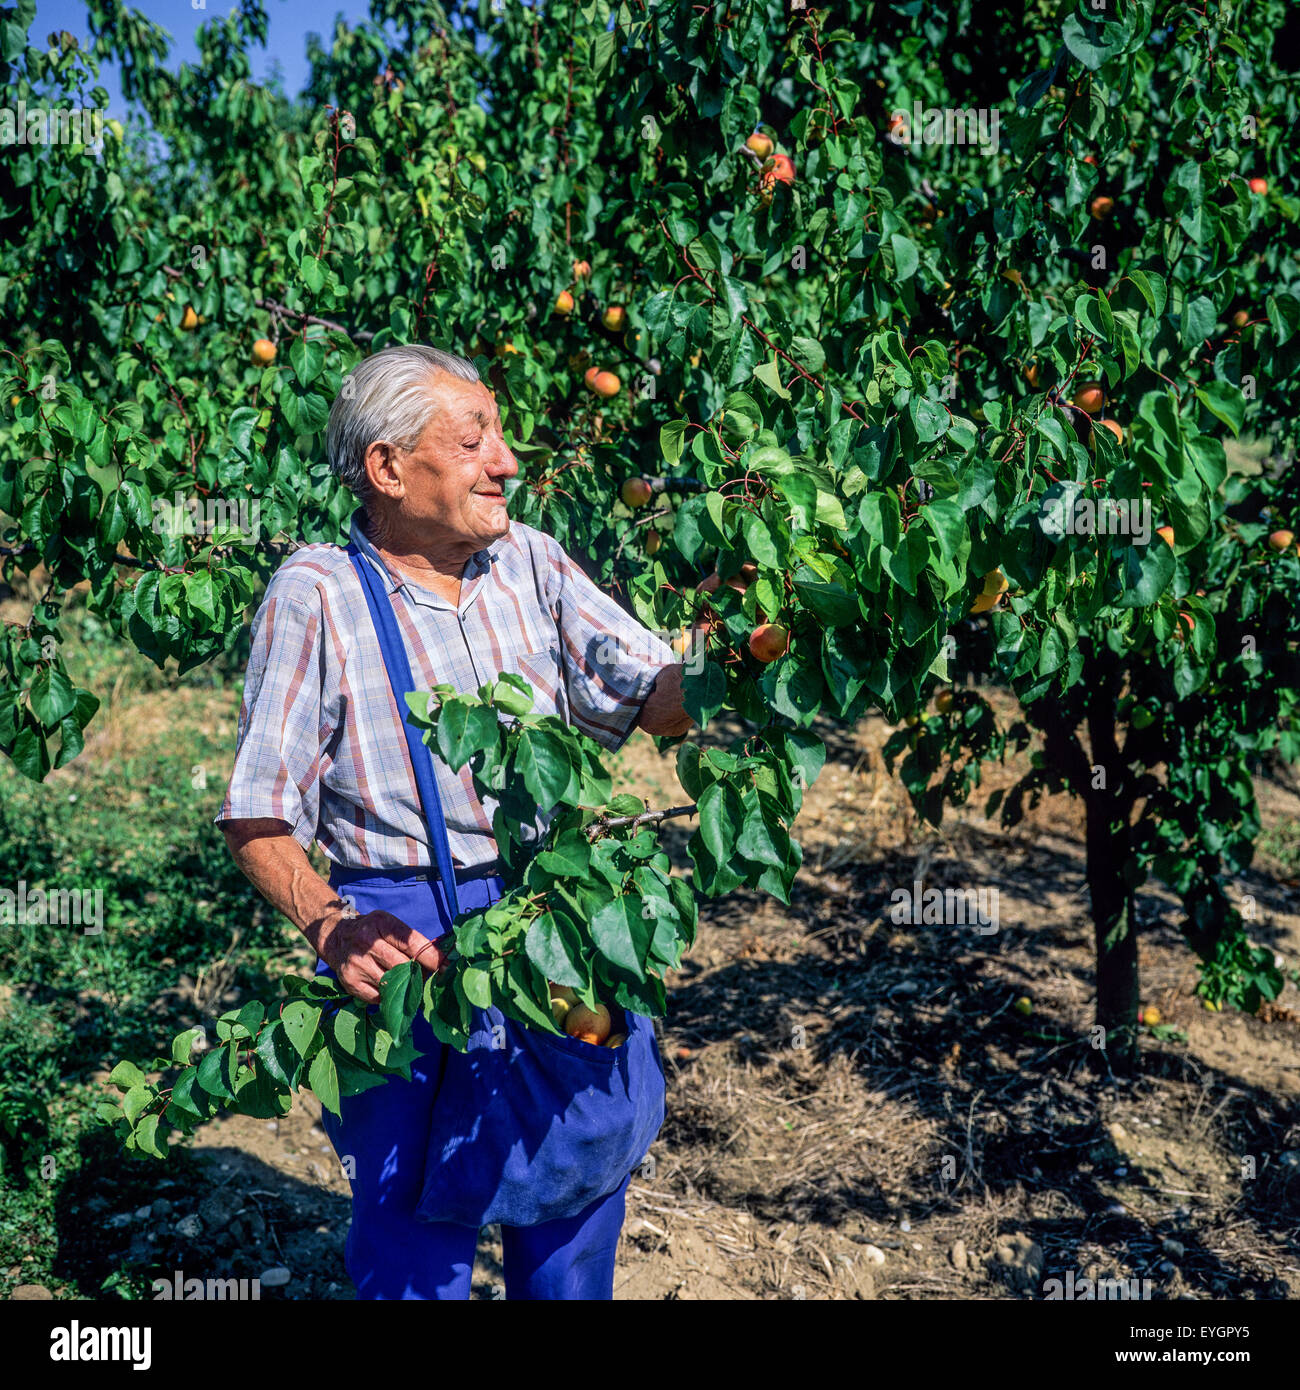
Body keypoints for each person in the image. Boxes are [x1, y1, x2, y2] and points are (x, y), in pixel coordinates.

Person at [217, 343, 695, 1299]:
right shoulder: (320, 594)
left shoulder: (532, 563)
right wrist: (327, 920)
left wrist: (756, 652)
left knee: (572, 1189)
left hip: (555, 916)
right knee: (411, 1236)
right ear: (388, 467)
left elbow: (655, 698)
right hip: (408, 937)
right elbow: (258, 810)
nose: (506, 461)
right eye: (473, 440)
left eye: (501, 436)